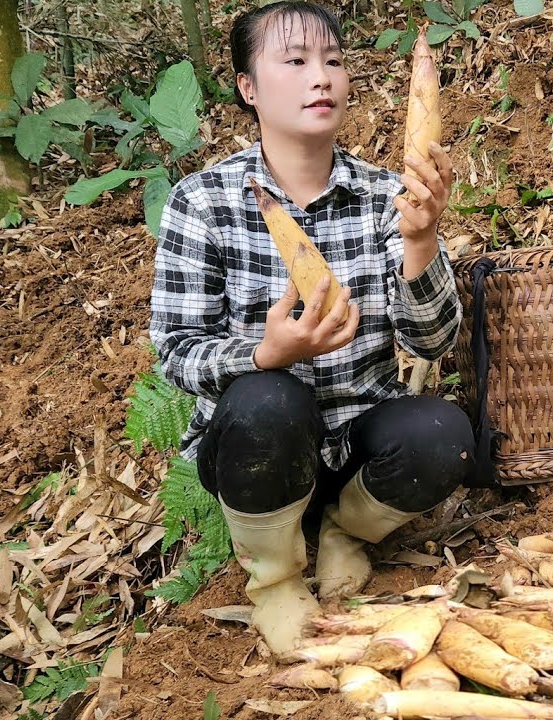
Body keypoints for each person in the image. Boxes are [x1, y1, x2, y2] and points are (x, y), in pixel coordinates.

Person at [148, 1, 474, 657]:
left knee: (445, 435)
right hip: (258, 452)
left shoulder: (386, 196)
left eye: (332, 60)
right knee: (267, 399)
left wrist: (421, 238)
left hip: (358, 445)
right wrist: (264, 353)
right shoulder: (203, 202)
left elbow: (434, 342)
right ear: (248, 87)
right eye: (295, 61)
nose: (320, 77)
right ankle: (274, 578)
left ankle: (345, 532)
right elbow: (177, 352)